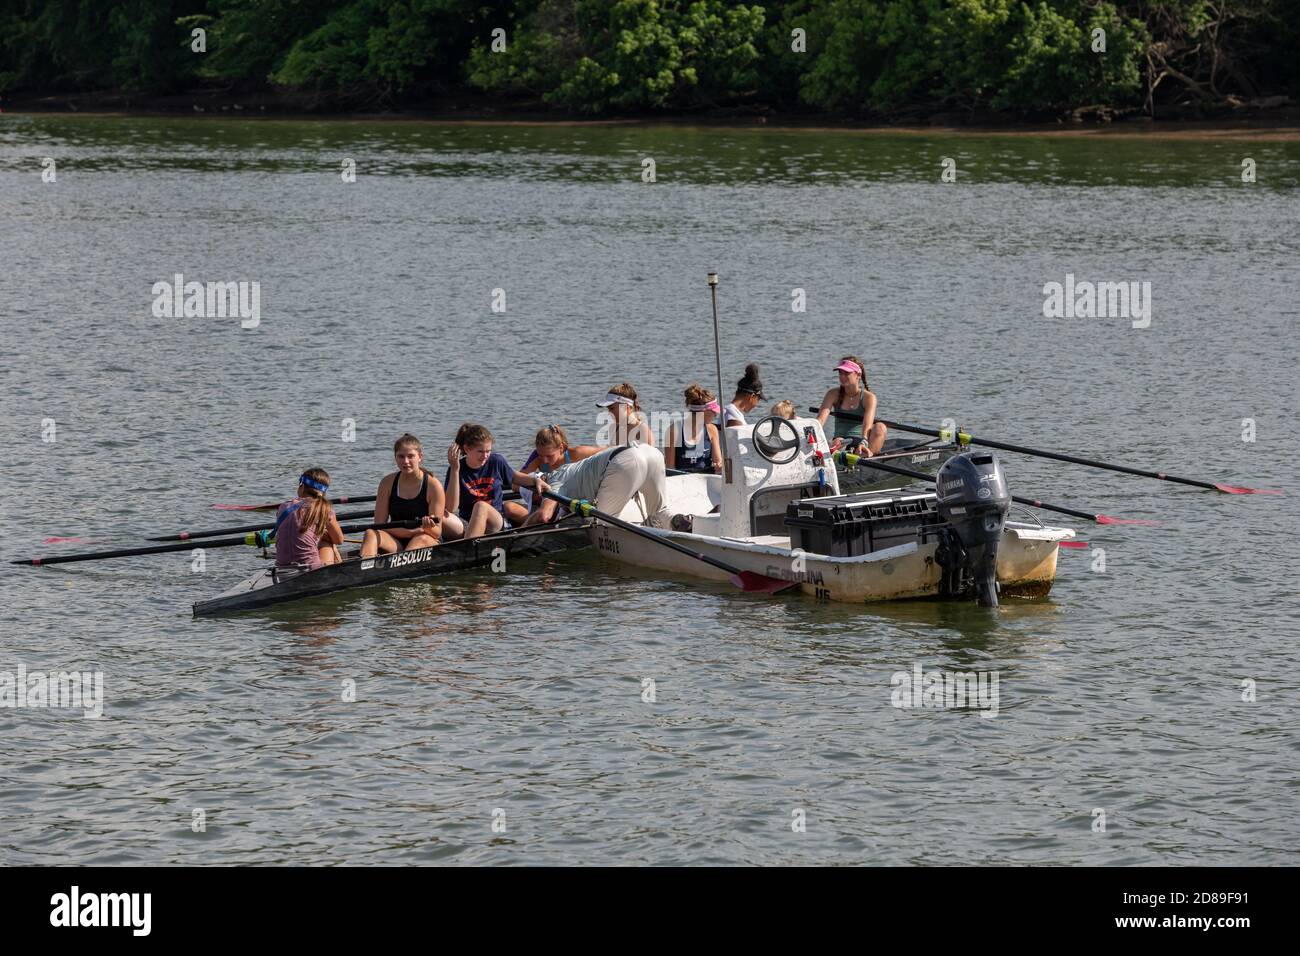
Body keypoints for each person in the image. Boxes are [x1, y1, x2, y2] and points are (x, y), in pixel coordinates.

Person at [524, 444, 673, 529]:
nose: (538, 499)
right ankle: (679, 521)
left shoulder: (553, 480)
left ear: (540, 481)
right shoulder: (570, 469)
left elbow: (544, 515)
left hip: (627, 463)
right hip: (650, 452)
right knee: (660, 513)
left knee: (600, 525)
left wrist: (522, 529)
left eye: (535, 496)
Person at [444, 423, 550, 540]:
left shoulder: (496, 461)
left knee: (480, 506)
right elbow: (451, 508)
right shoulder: (456, 468)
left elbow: (515, 477)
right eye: (480, 452)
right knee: (440, 516)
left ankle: (468, 549)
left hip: (496, 522)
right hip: (467, 523)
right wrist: (455, 469)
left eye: (488, 451)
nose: (485, 456)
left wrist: (535, 481)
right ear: (467, 449)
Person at [360, 434, 444, 558]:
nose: (405, 461)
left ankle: (399, 568)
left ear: (420, 457)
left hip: (426, 540)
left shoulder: (433, 485)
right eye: (401, 456)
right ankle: (364, 569)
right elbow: (379, 525)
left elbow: (437, 532)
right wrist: (411, 532)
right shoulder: (387, 483)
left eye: (410, 456)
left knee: (421, 538)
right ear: (395, 458)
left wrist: (426, 529)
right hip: (396, 540)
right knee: (371, 533)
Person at [513, 424, 603, 511]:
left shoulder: (577, 453)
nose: (544, 461)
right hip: (553, 498)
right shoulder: (536, 457)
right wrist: (536, 486)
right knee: (509, 507)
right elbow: (515, 485)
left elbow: (610, 451)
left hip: (577, 496)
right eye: (541, 455)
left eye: (549, 456)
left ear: (561, 448)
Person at [816, 355, 887, 455]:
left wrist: (864, 441)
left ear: (858, 375)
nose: (842, 376)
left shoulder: (869, 397)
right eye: (840, 373)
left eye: (847, 373)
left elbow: (867, 425)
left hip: (861, 440)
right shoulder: (832, 394)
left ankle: (868, 457)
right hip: (841, 440)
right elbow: (820, 421)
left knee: (880, 427)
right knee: (838, 441)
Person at [275, 468, 345, 569]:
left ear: (302, 487)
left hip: (281, 569)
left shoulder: (283, 507)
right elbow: (339, 540)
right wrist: (323, 534)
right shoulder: (324, 509)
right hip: (311, 569)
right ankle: (338, 573)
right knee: (329, 542)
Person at [665, 383, 722, 474]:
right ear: (704, 411)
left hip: (706, 480)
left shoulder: (712, 429)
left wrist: (719, 466)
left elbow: (718, 462)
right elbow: (670, 467)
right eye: (714, 412)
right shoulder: (673, 431)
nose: (716, 414)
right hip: (681, 481)